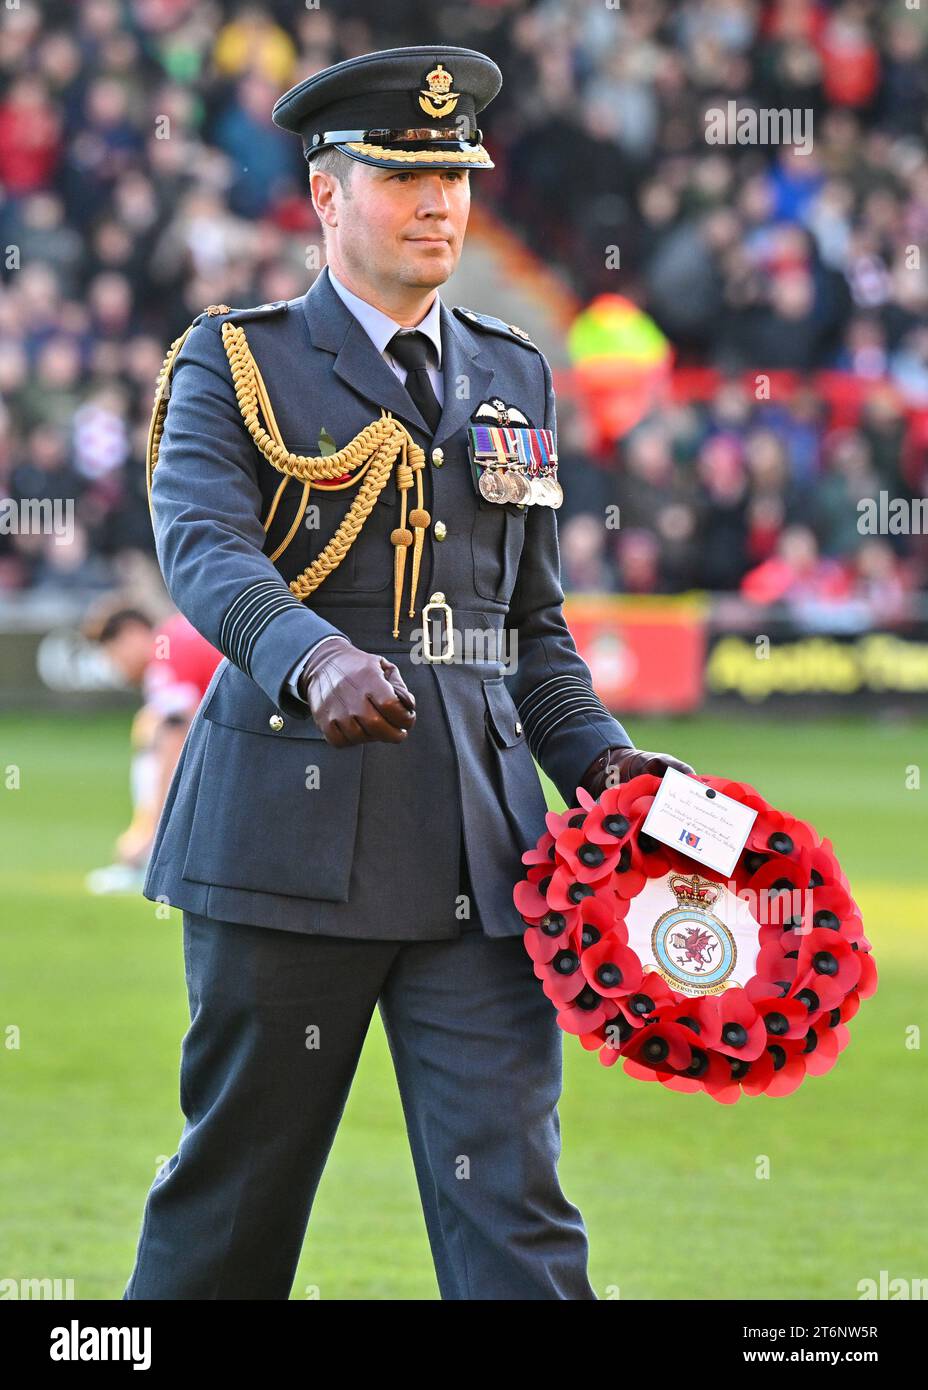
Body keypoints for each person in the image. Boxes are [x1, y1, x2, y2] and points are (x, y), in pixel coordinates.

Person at [122, 44, 692, 1301]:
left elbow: (529, 628)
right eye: (402, 176)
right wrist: (310, 654)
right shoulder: (233, 362)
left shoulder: (512, 368)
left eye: (455, 175)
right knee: (234, 1204)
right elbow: (206, 549)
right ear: (327, 196)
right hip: (285, 848)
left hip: (479, 864)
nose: (440, 201)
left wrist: (604, 763)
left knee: (519, 1210)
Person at [83, 605, 222, 893]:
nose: (114, 665)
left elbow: (176, 736)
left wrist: (150, 832)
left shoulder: (166, 653)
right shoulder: (178, 633)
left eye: (111, 651)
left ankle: (154, 856)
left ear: (133, 634)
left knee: (152, 727)